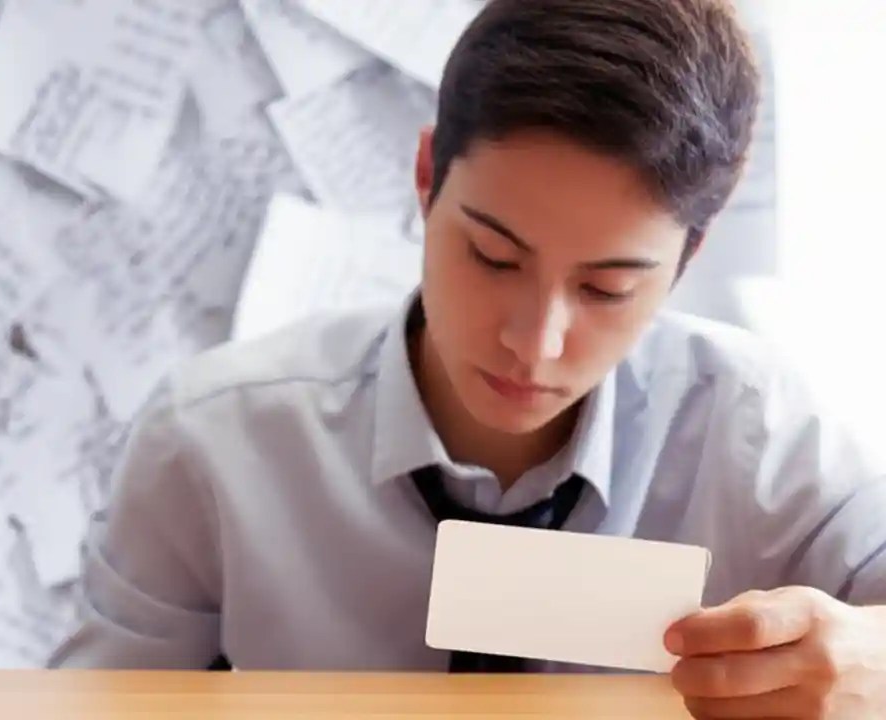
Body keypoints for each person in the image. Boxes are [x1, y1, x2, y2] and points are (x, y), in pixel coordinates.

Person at [50, 0, 886, 716]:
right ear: (425, 178)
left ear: (689, 258)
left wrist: (869, 663)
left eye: (606, 289)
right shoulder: (212, 443)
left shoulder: (761, 432)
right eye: (492, 257)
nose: (535, 342)